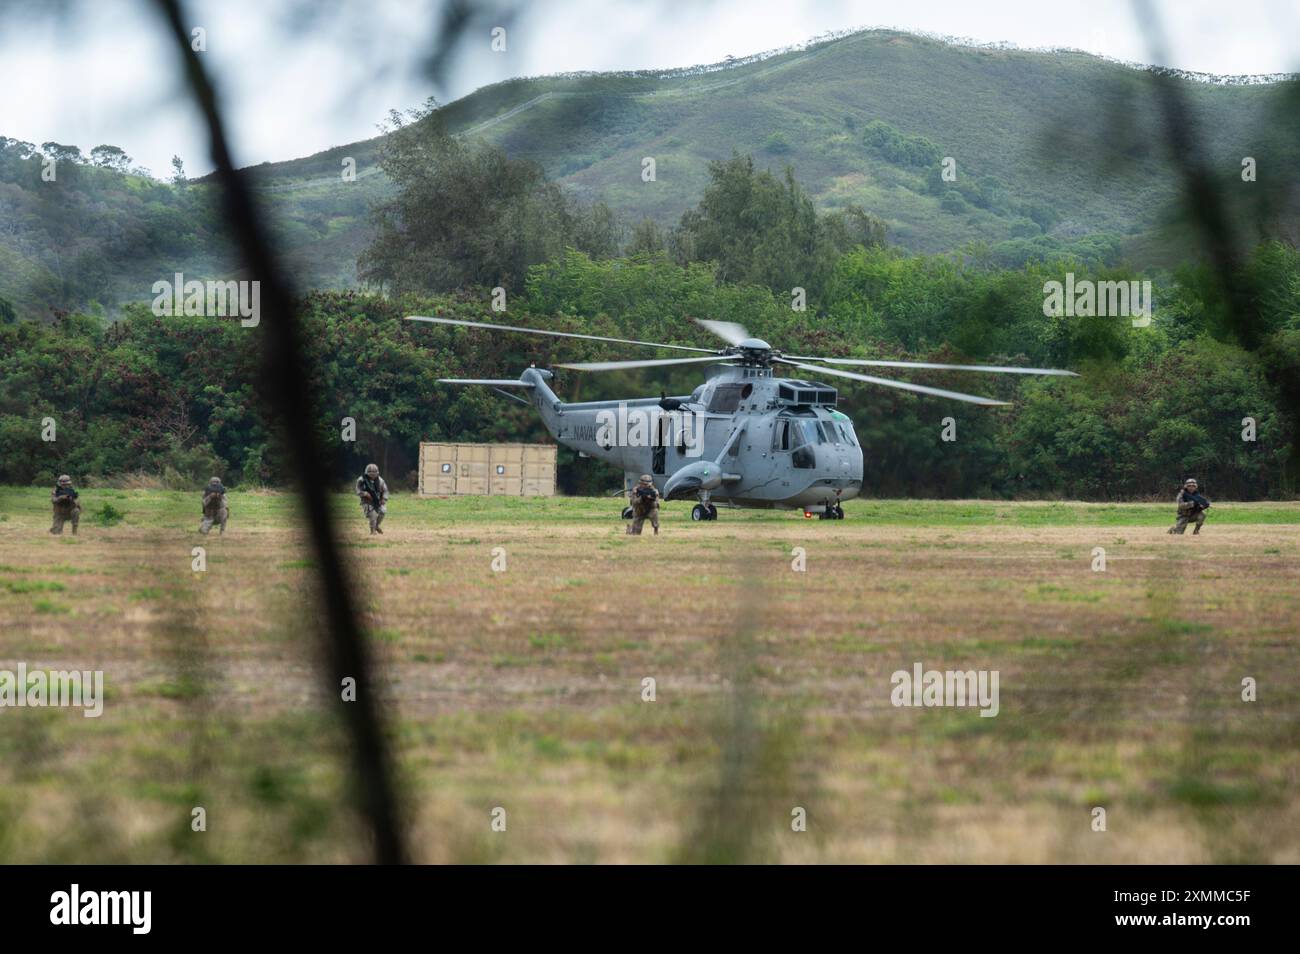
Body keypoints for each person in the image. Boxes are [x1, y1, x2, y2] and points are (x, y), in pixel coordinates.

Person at [356, 463, 389, 534]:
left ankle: (376, 526)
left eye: (374, 474)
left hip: (377, 500)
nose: (373, 476)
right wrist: (365, 494)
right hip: (366, 501)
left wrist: (383, 499)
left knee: (383, 511)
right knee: (373, 515)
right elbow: (358, 490)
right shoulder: (361, 480)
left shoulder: (381, 481)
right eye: (371, 474)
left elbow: (385, 490)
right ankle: (372, 531)